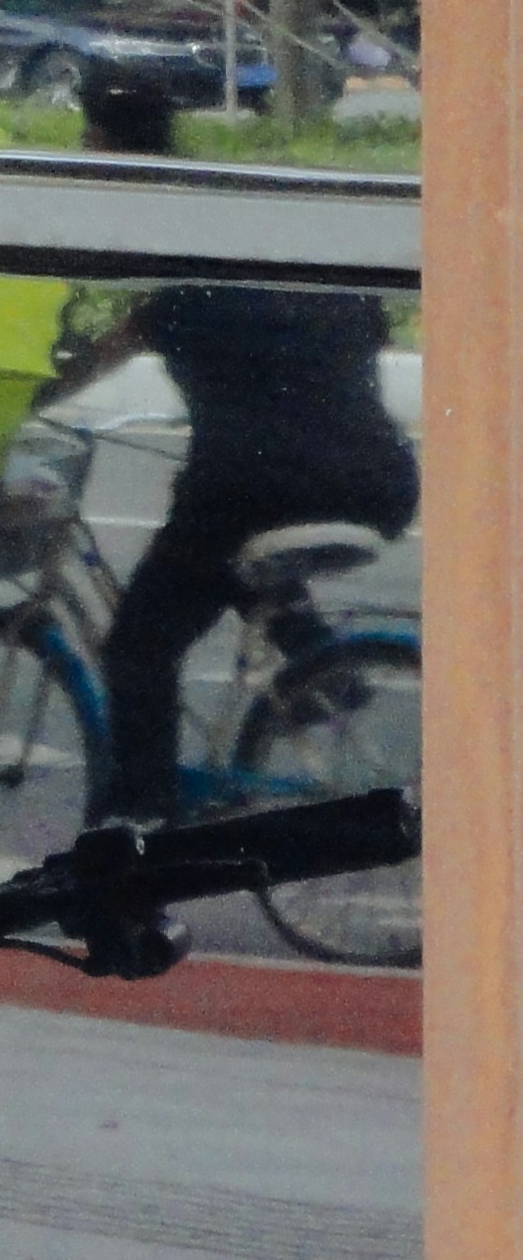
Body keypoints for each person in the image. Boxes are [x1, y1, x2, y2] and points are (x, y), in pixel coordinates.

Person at [78, 75, 421, 821]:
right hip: (380, 475)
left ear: (99, 143)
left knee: (140, 643)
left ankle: (142, 824)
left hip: (256, 482)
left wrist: (27, 397)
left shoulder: (152, 237)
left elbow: (103, 347)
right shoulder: (230, 202)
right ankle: (319, 671)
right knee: (232, 552)